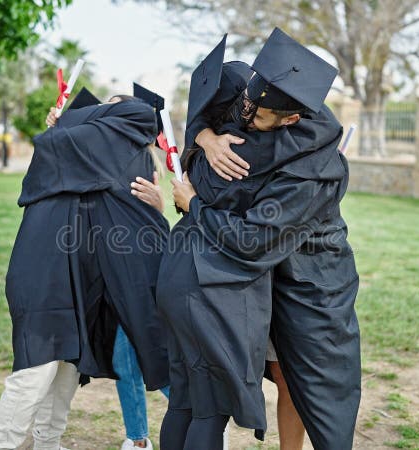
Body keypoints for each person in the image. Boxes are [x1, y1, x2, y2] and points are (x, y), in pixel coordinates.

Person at [154, 29, 361, 450]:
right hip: (238, 277)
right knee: (207, 403)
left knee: (298, 380)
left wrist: (193, 202)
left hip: (305, 276)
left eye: (256, 114)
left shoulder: (311, 169)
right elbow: (204, 100)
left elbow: (253, 237)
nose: (243, 117)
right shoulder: (246, 103)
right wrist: (205, 138)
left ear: (290, 119)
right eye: (244, 103)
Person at [0, 91, 170, 450]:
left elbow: (141, 118)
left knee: (67, 368)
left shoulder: (103, 165)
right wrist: (63, 126)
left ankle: (48, 442)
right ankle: (0, 444)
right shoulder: (59, 163)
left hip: (75, 283)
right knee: (35, 370)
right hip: (42, 278)